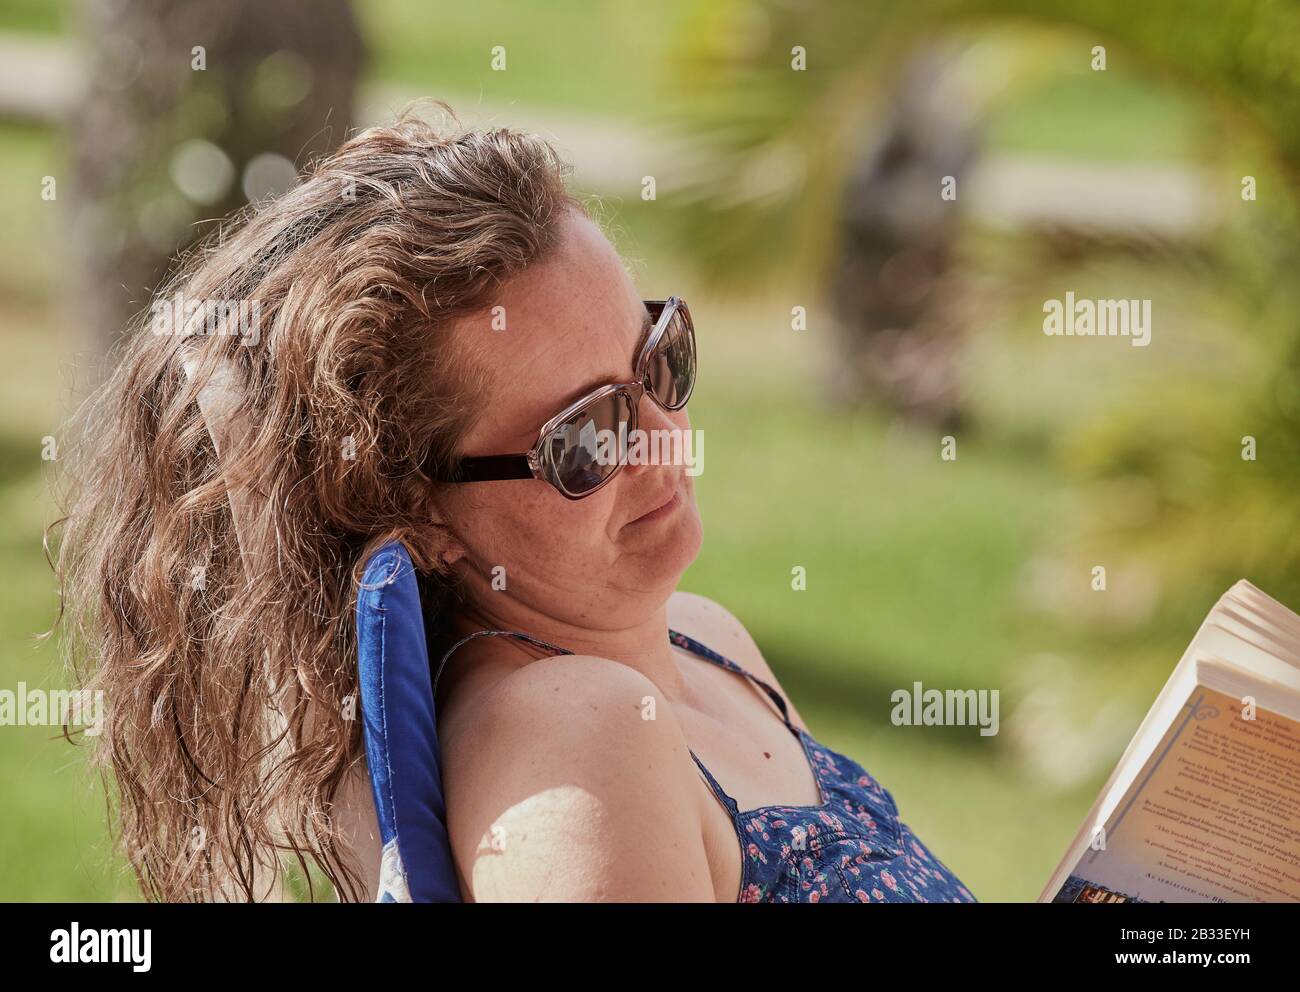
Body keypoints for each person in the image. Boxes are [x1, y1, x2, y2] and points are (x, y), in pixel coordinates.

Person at [53, 99, 975, 904]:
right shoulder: (579, 743)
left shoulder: (707, 638)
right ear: (422, 517)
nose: (660, 435)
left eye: (661, 357)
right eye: (583, 438)